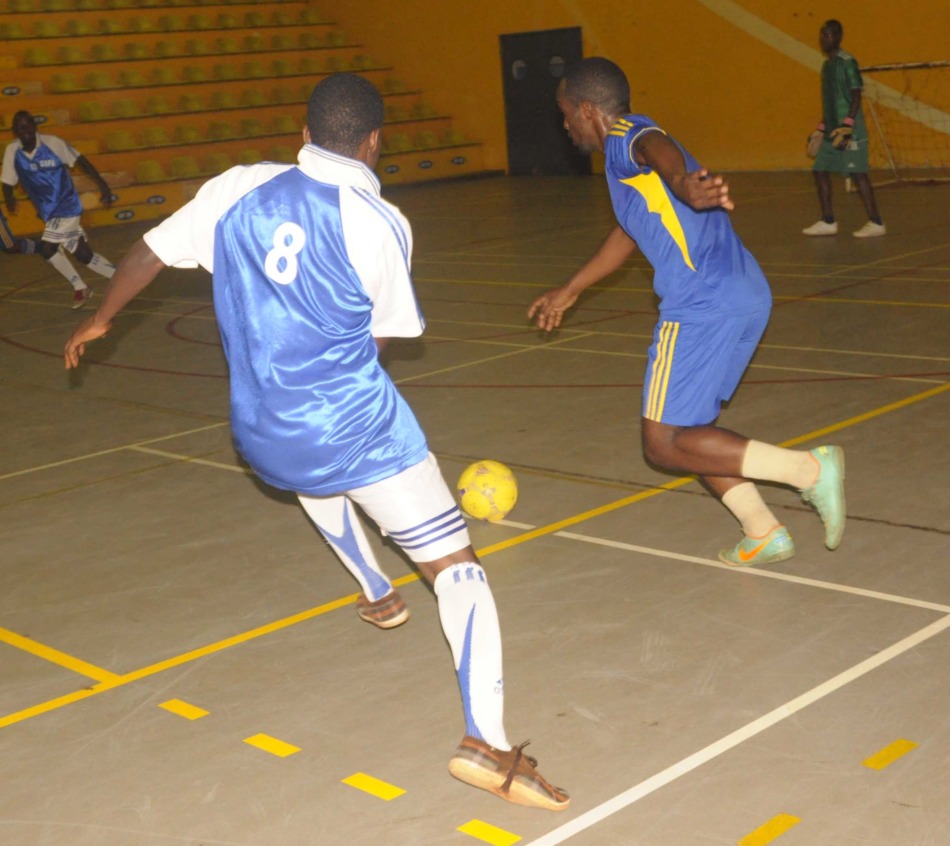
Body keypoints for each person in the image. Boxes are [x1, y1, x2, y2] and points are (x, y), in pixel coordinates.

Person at [64, 73, 569, 812]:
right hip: (355, 428)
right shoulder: (379, 220)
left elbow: (145, 253)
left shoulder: (236, 185)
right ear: (373, 142)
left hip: (259, 435)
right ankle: (487, 743)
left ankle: (374, 590)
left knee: (310, 466)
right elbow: (389, 331)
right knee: (459, 571)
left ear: (303, 136)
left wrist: (102, 317)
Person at [528, 57, 846, 566]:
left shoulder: (625, 136)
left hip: (702, 301)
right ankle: (761, 530)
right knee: (692, 431)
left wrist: (680, 181)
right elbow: (630, 231)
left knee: (661, 443)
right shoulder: (626, 174)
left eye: (566, 114)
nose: (565, 126)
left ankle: (808, 469)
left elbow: (656, 147)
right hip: (743, 292)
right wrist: (572, 288)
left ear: (588, 110)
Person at [2, 110, 116, 308]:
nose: (25, 130)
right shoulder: (13, 151)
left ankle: (80, 287)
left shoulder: (53, 143)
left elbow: (81, 161)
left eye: (28, 125)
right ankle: (119, 276)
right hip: (49, 212)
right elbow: (7, 180)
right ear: (15, 132)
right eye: (20, 128)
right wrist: (9, 198)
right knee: (83, 254)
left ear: (35, 126)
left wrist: (103, 185)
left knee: (47, 248)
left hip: (67, 206)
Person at [802, 19, 885, 238]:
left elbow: (856, 94)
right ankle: (828, 220)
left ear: (838, 37)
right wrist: (821, 128)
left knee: (858, 174)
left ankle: (876, 222)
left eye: (828, 35)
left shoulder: (848, 62)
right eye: (822, 35)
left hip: (850, 129)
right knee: (819, 170)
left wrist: (848, 124)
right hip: (831, 131)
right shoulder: (826, 65)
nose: (823, 39)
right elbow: (830, 101)